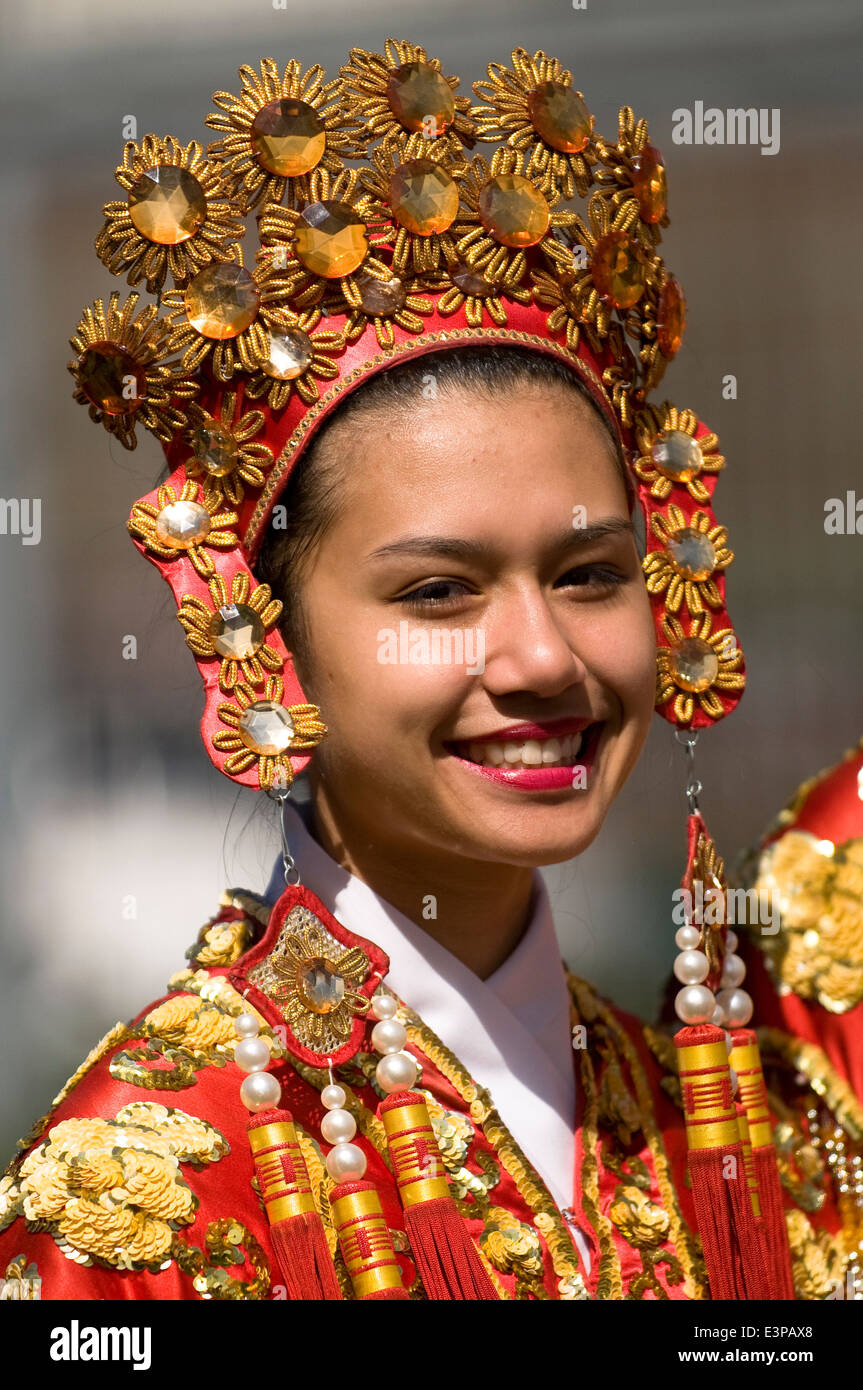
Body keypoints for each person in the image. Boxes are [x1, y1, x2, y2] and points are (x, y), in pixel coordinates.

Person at [0, 40, 860, 1302]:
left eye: (586, 575)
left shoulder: (740, 1136)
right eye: (437, 592)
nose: (540, 657)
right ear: (262, 634)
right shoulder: (136, 1208)